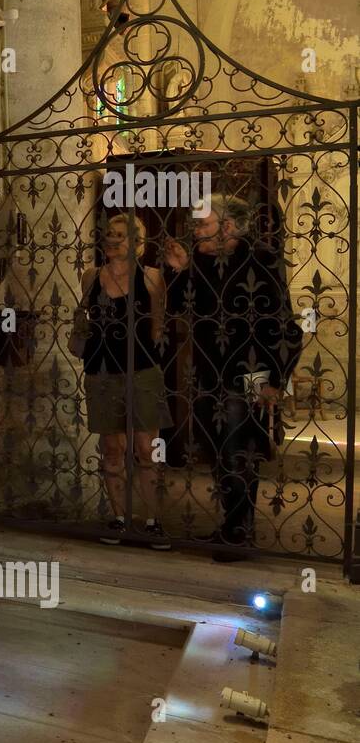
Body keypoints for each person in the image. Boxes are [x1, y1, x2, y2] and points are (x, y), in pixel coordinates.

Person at [163, 194, 301, 549]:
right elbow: (180, 305)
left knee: (237, 450)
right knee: (217, 449)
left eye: (202, 225)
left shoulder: (261, 258)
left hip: (248, 373)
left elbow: (283, 325)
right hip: (210, 372)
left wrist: (276, 380)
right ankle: (234, 522)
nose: (196, 233)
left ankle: (239, 530)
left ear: (227, 227)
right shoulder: (202, 262)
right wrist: (178, 270)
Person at [79, 212, 171, 548]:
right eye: (109, 233)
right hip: (101, 371)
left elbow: (158, 326)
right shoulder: (90, 276)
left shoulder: (151, 278)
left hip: (142, 370)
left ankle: (152, 521)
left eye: (121, 234)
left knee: (146, 448)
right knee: (112, 447)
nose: (112, 239)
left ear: (137, 243)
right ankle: (119, 519)